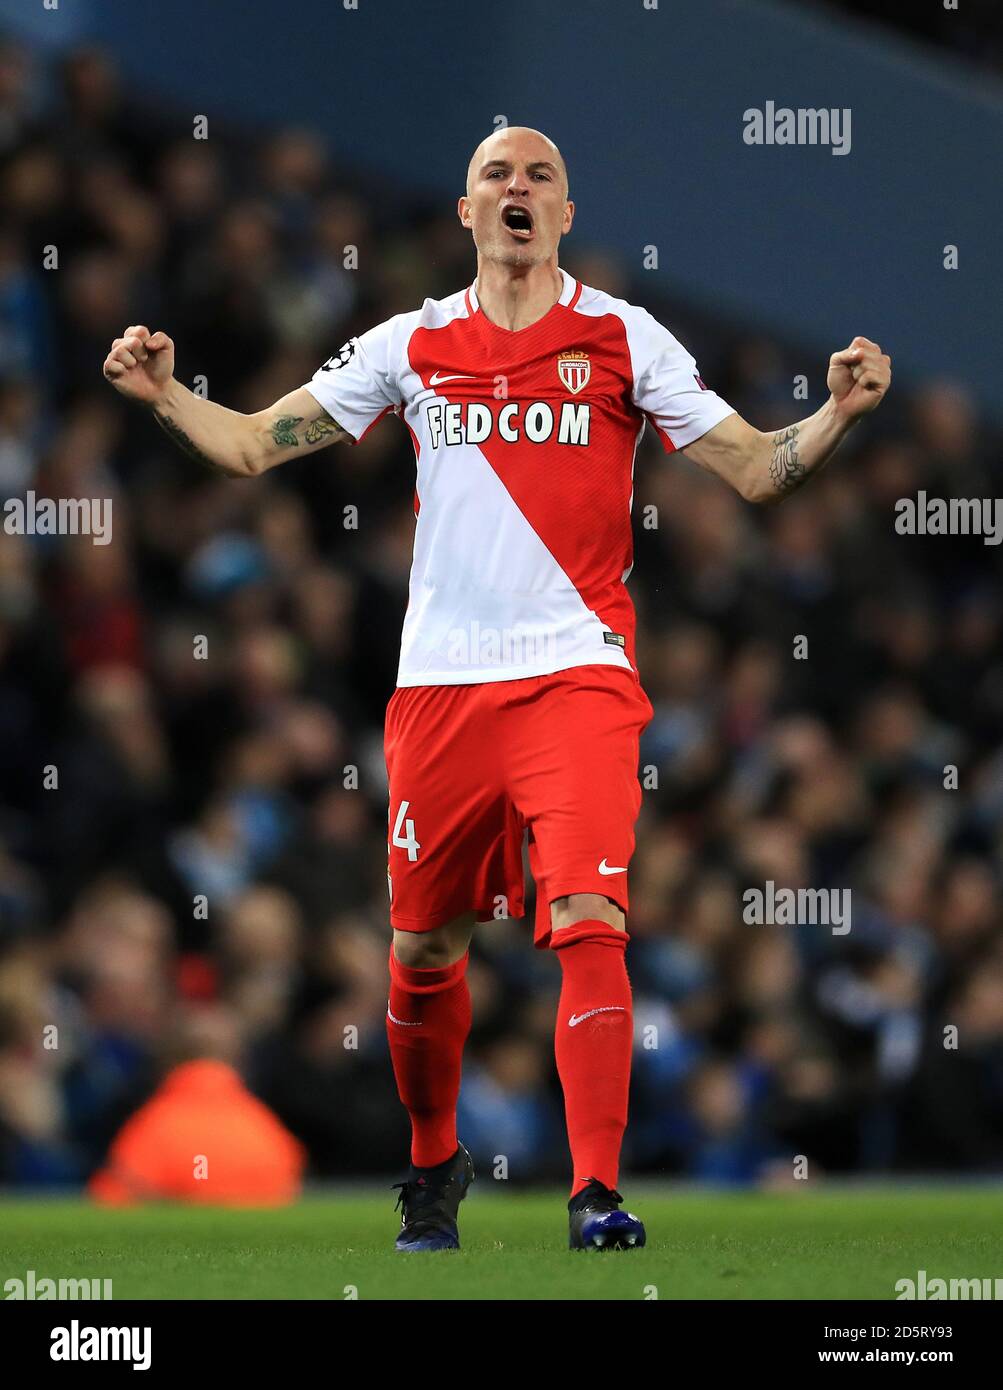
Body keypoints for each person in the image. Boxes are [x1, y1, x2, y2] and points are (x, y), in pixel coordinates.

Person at [102, 125, 891, 1251]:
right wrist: (166, 393)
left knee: (588, 915)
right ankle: (432, 1168)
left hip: (577, 673)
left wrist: (837, 416)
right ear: (467, 212)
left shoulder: (623, 336)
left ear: (566, 214)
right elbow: (250, 448)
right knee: (425, 949)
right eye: (494, 177)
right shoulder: (408, 344)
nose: (517, 191)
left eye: (540, 178)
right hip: (440, 691)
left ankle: (596, 1191)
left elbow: (758, 467)